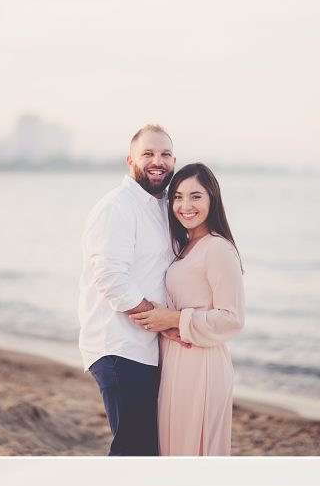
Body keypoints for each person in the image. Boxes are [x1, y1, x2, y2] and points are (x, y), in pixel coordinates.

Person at [129, 163, 245, 456]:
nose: (185, 206)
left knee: (195, 450)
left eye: (196, 196)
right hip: (174, 361)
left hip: (203, 363)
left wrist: (174, 318)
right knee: (173, 447)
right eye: (178, 197)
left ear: (212, 199)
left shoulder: (218, 249)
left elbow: (231, 319)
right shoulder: (184, 247)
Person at [78, 124, 176, 456]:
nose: (157, 161)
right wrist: (162, 320)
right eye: (147, 153)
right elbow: (110, 277)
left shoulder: (162, 207)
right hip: (119, 348)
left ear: (173, 160)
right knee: (134, 451)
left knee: (147, 448)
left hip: (144, 349)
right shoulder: (117, 206)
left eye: (164, 154)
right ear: (129, 160)